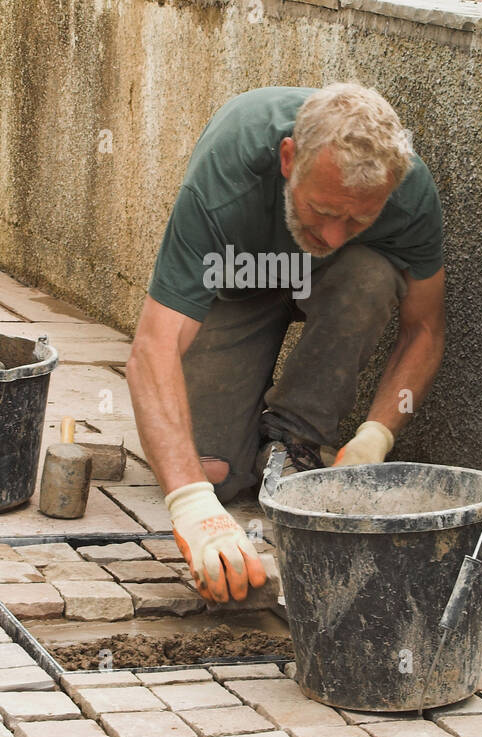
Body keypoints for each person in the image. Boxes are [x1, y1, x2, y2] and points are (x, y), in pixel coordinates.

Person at [126, 82, 445, 605]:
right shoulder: (229, 165)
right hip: (235, 284)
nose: (335, 234)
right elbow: (152, 350)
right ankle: (240, 426)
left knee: (368, 273)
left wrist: (375, 438)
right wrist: (191, 505)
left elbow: (426, 329)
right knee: (214, 475)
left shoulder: (408, 192)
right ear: (288, 158)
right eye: (322, 210)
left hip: (338, 287)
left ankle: (293, 434)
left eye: (359, 218)